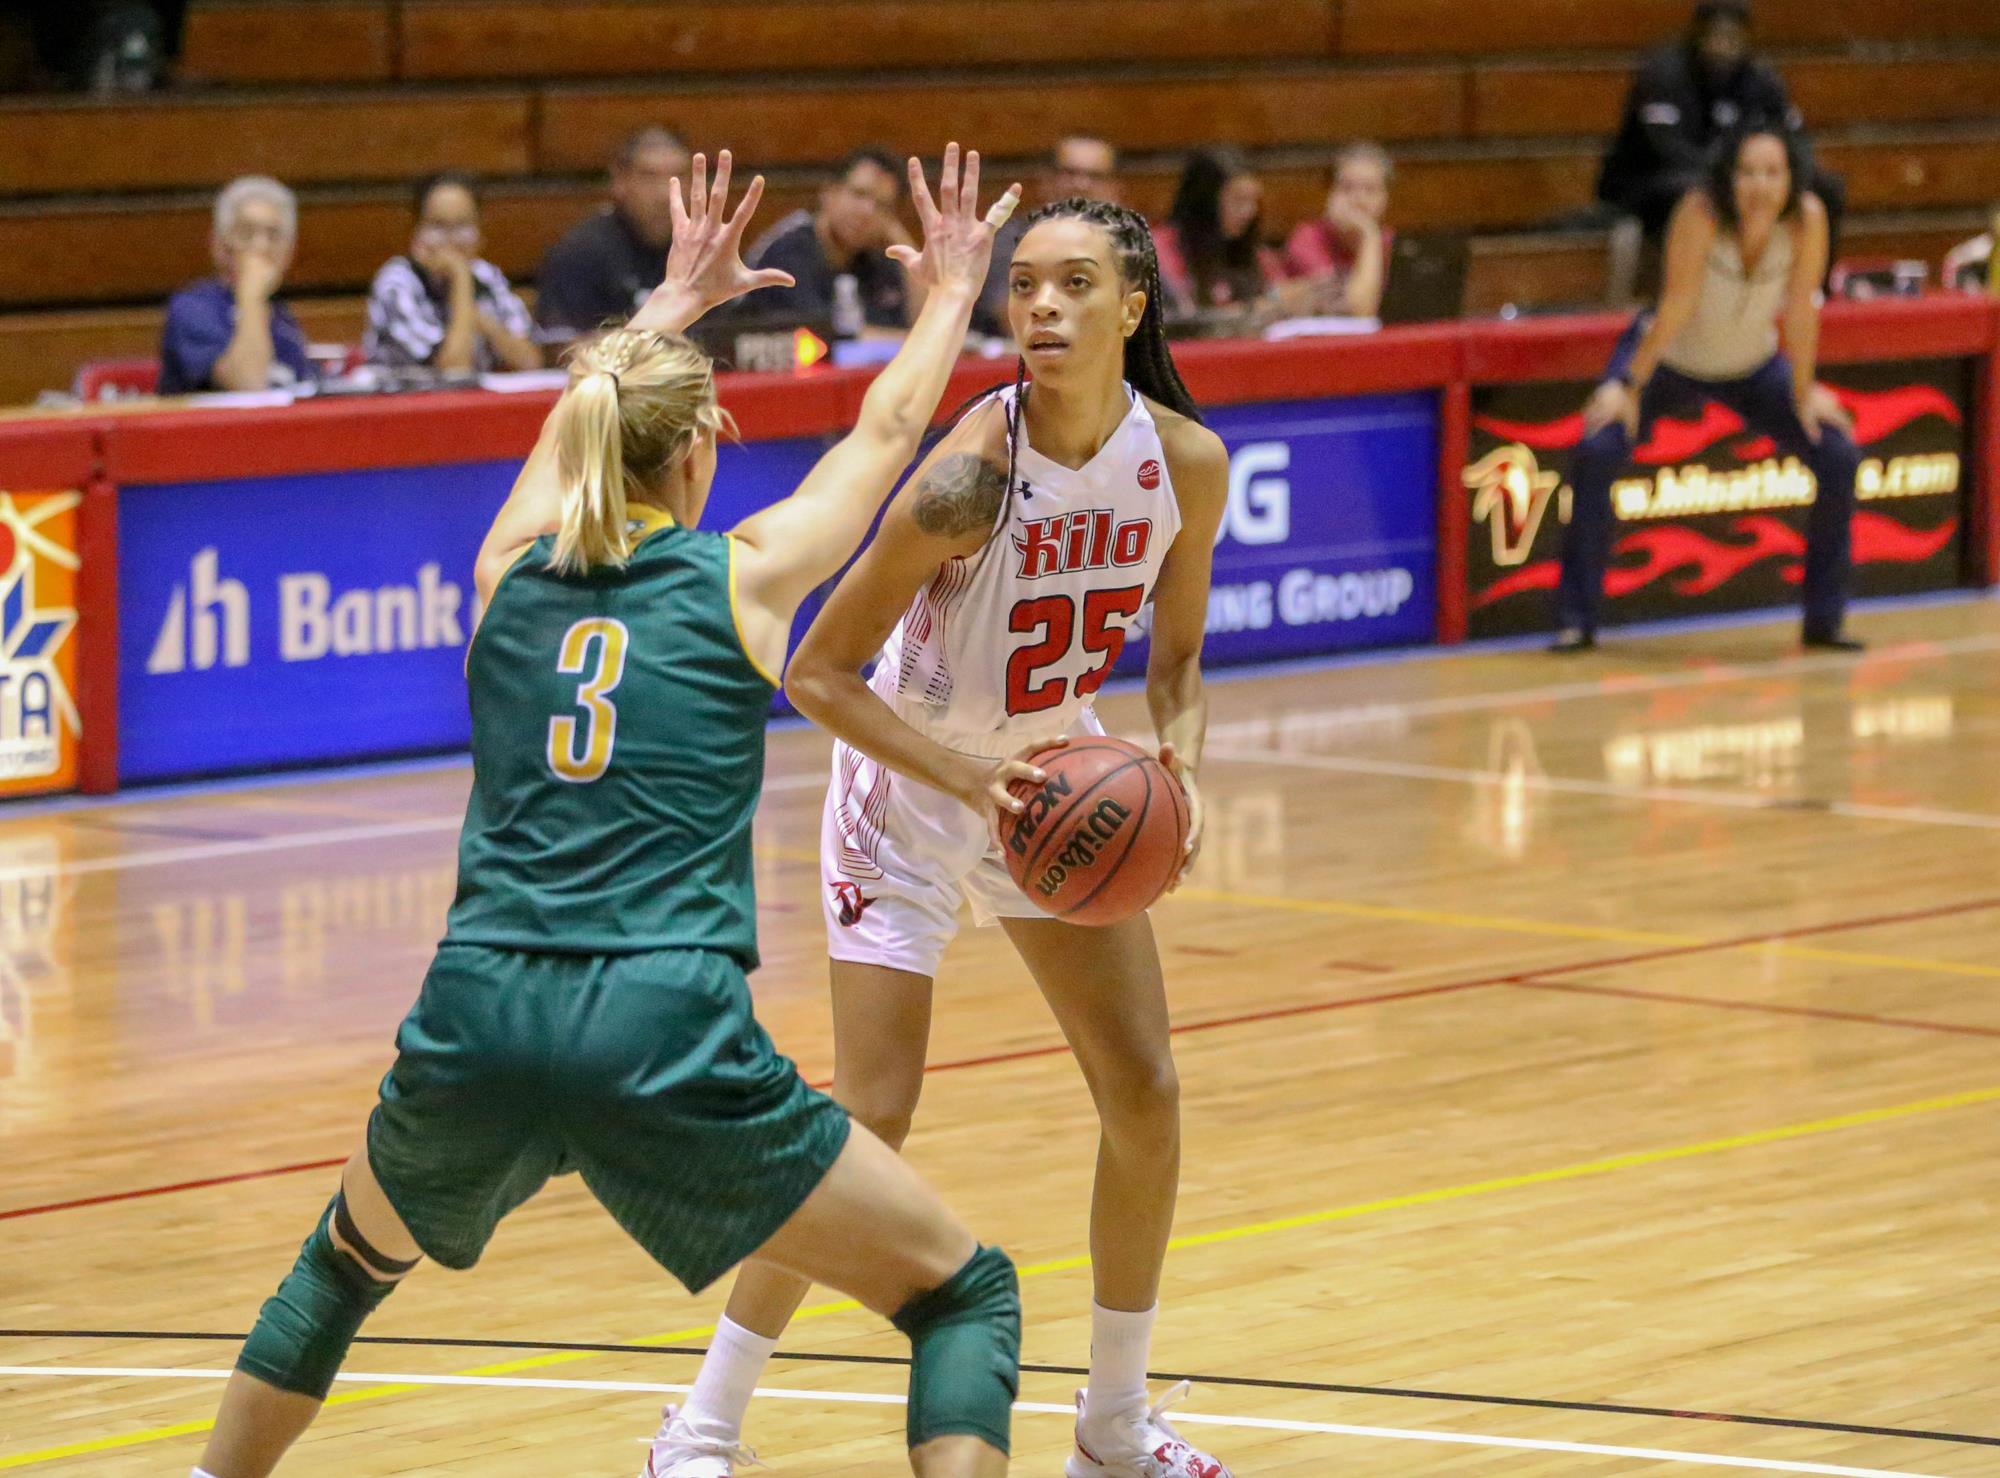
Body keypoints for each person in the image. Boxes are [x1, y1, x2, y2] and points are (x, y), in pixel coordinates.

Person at [190, 146, 1028, 1478]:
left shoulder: (504, 577)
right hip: (659, 1022)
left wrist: (661, 310)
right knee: (962, 1293)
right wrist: (950, 295)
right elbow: (882, 438)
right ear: (699, 450)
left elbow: (572, 432)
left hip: (479, 1008)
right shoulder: (740, 582)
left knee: (343, 1267)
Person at [641, 198, 1234, 1478]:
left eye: (1074, 285)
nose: (1042, 309)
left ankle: (1114, 1424)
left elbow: (1176, 657)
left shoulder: (1183, 460)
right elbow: (820, 674)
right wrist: (968, 779)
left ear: (1133, 307)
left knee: (1145, 1093)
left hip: (1044, 781)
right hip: (909, 784)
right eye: (1023, 286)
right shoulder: (971, 469)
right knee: (870, 1114)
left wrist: (1178, 757)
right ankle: (700, 1425)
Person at [1552, 122, 1861, 654]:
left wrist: (1805, 390)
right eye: (1747, 172)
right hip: (1669, 358)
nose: (1759, 186)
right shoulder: (1699, 213)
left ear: (1792, 178)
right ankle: (1576, 620)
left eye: (1772, 173)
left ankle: (1824, 621)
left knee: (1838, 453)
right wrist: (1626, 384)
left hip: (1753, 364)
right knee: (1597, 449)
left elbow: (1804, 310)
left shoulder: (1808, 219)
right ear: (1726, 176)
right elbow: (1673, 308)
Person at [1596, 1, 1845, 254]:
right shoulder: (1664, 75)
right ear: (1697, 34)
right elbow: (1666, 150)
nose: (1723, 46)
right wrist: (1729, 175)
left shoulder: (1760, 79)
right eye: (1715, 35)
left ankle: (1813, 286)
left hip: (1732, 175)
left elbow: (1794, 140)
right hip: (1650, 181)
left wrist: (1787, 175)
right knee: (1696, 195)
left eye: (1732, 37)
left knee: (1824, 186)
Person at [364, 173, 541, 374]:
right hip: (403, 402)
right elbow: (454, 370)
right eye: (438, 226)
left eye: (462, 225)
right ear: (415, 232)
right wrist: (461, 277)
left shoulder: (486, 276)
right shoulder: (396, 283)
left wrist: (482, 321)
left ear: (480, 234)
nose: (451, 240)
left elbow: (530, 362)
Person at [158, 175, 316, 396]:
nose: (261, 246)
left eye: (273, 235)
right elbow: (248, 384)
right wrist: (251, 296)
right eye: (246, 233)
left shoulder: (283, 317)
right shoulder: (192, 310)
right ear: (219, 245)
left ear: (289, 251)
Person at [742, 146, 917, 334]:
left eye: (883, 206)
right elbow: (823, 337)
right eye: (859, 194)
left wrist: (902, 240)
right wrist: (909, 342)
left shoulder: (871, 257)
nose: (867, 212)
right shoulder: (787, 250)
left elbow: (922, 324)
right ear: (829, 193)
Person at [536, 126, 689, 339]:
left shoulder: (703, 252)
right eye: (649, 176)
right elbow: (561, 348)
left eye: (678, 177)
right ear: (620, 181)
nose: (665, 194)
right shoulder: (580, 253)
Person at [974, 135, 1123, 337]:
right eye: (1070, 173)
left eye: (1095, 176)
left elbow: (1169, 314)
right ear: (1046, 180)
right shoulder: (1011, 240)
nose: (1081, 185)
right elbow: (1013, 318)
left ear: (1114, 188)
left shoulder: (1128, 242)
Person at [1151, 146, 1289, 326]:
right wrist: (1258, 307)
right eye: (1238, 200)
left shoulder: (1254, 252)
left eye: (1254, 201)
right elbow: (1185, 318)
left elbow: (1280, 290)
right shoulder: (1163, 247)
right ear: (1206, 200)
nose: (1249, 212)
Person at [1283, 142, 1392, 319]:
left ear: (1386, 198)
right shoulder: (1307, 239)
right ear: (1330, 195)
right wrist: (1369, 235)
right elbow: (1358, 311)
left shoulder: (1392, 241)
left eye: (1371, 190)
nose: (1359, 199)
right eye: (1347, 188)